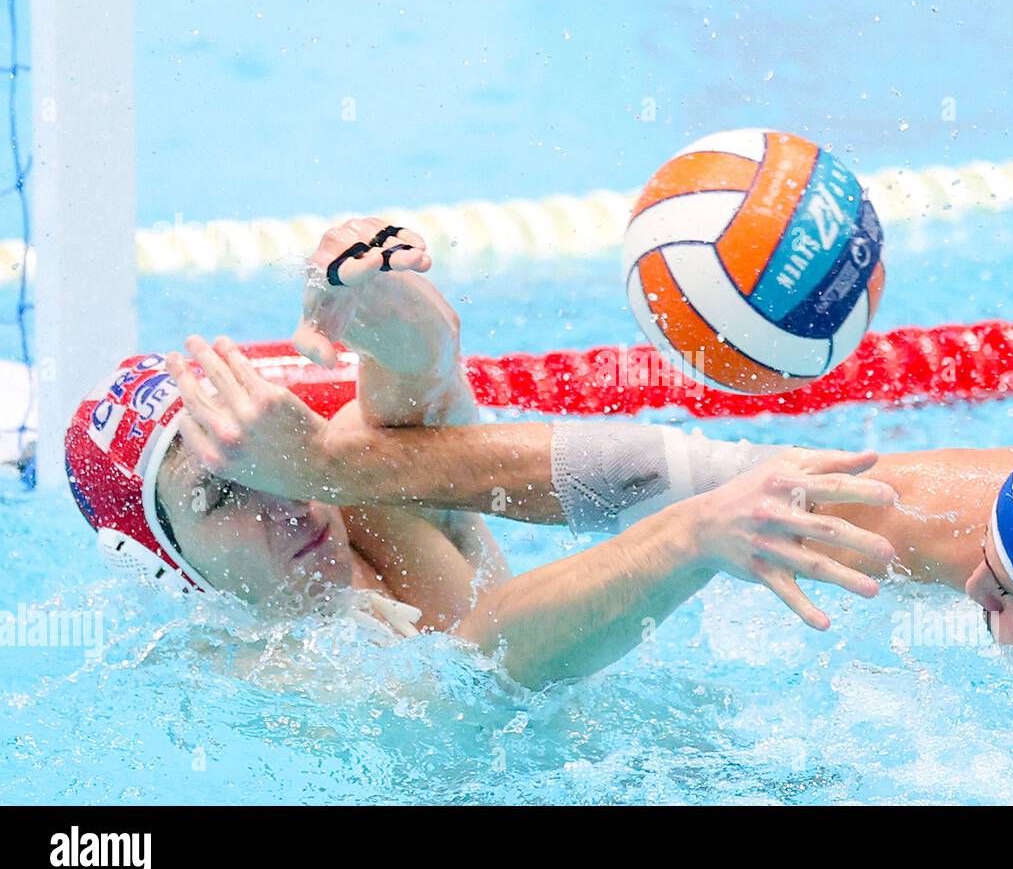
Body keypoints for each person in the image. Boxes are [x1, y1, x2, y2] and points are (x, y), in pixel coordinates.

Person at [175, 226, 1013, 679]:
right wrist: (384, 399)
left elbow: (477, 661)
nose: (963, 579)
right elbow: (671, 474)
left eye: (1002, 596)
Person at [64, 219, 898, 688]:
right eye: (221, 494)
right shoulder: (244, 676)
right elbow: (480, 676)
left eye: (259, 455)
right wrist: (684, 539)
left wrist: (364, 295)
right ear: (165, 563)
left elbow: (421, 382)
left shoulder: (365, 505)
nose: (280, 495)